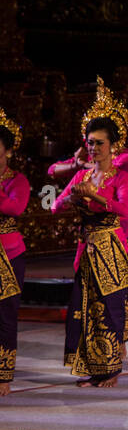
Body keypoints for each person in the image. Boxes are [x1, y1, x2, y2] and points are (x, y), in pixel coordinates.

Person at [55, 86, 128, 388]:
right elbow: (55, 204)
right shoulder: (82, 175)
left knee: (110, 307)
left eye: (100, 143)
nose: (94, 149)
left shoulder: (120, 176)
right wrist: (69, 200)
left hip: (110, 247)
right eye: (90, 143)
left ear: (113, 145)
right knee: (86, 307)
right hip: (87, 247)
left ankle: (112, 369)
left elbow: (124, 210)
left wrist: (96, 198)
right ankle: (94, 368)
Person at [0, 106, 29, 396]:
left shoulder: (17, 180)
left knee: (5, 316)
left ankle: (3, 376)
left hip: (8, 256)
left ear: (7, 150)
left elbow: (13, 207)